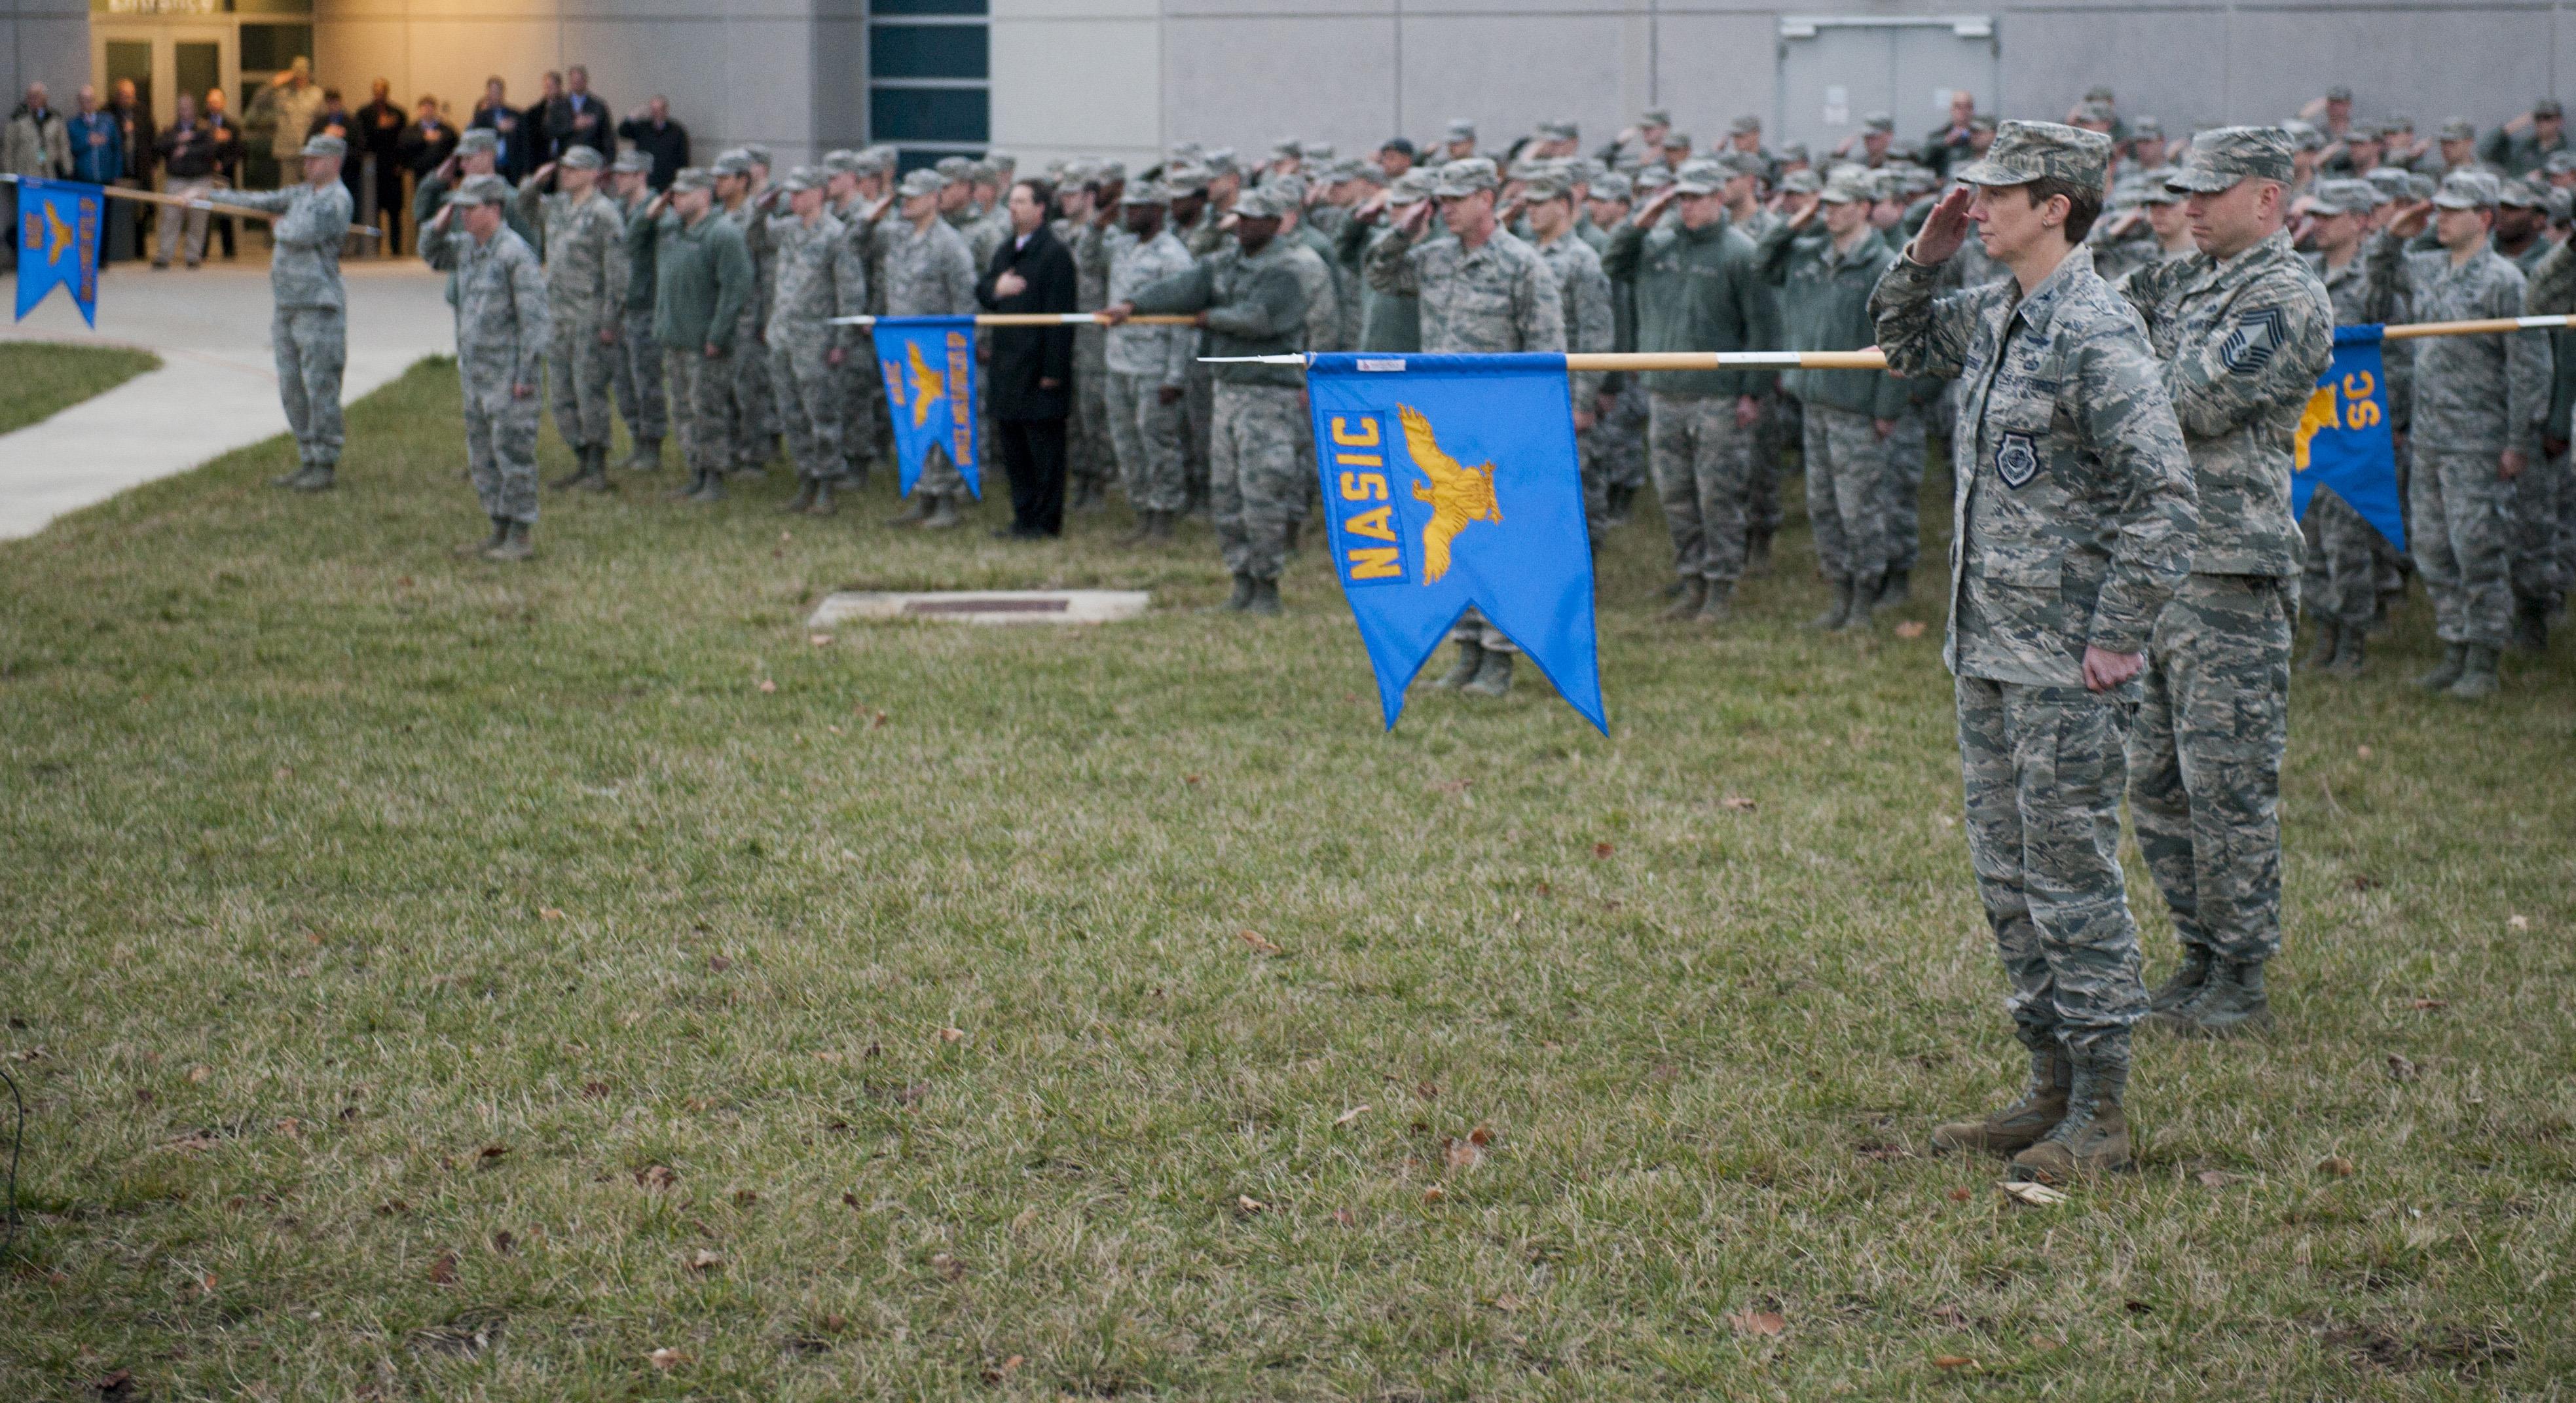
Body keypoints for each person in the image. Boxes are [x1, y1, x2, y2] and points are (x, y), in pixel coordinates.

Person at [1871, 119, 2199, 1185]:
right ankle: (2046, 1083)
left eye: (1998, 194)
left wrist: (2113, 634)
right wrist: (1922, 254)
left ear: (2054, 205)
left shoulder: (2094, 329)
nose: (1979, 208)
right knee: (2006, 877)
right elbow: (1901, 343)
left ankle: (2100, 1108)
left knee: (2067, 876)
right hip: (1987, 646)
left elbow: (2162, 501)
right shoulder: (1997, 312)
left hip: (2063, 658)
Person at [2116, 129, 2334, 1038]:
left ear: (2269, 198)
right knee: (2157, 780)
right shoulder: (2184, 280)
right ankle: (2199, 951)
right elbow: (2085, 322)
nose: (2188, 208)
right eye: (2183, 193)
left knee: (2226, 781)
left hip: (2229, 570)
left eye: (2210, 192)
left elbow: (2187, 403)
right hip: (2158, 565)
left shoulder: (2282, 297)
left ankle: (2240, 975)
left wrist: (2107, 386)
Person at [1367, 156, 1567, 693]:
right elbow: (1379, 273)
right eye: (1440, 200)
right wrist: (1404, 228)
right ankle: (1466, 651)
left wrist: (1530, 433)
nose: (1445, 209)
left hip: (1498, 427)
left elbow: (1546, 353)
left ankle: (1500, 659)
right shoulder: (1433, 259)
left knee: (1496, 544)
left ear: (1488, 198)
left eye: (1456, 199)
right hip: (1444, 426)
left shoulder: (1523, 265)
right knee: (1452, 542)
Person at [2369, 172, 2549, 697]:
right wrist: (2396, 232)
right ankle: (2454, 646)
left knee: (2478, 548)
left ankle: (2485, 658)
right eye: (2439, 209)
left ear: (2485, 218)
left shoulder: (2504, 281)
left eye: (2454, 210)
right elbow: (2378, 279)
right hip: (2430, 436)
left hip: (2479, 438)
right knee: (2432, 547)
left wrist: (2517, 440)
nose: (2441, 218)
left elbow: (2529, 366)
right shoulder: (2428, 269)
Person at [1107, 182, 1311, 615]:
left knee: (1263, 491)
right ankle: (1240, 581)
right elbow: (1183, 286)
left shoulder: (1288, 269)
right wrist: (1133, 304)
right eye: (1241, 217)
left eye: (1253, 219)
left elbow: (1262, 319)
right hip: (1228, 390)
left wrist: (1210, 318)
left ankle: (1267, 585)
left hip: (1267, 393)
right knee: (1227, 493)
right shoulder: (1224, 262)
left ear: (1274, 224)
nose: (1242, 226)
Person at [1602, 158, 1778, 624]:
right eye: (1680, 198)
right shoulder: (1656, 245)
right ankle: (1692, 576)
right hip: (1665, 393)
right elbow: (1612, 262)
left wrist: (1752, 392)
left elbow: (1764, 330)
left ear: (1719, 199)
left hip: (1717, 397)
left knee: (1717, 493)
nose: (1687, 207)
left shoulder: (1740, 252)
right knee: (1675, 493)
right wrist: (1642, 219)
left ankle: (1721, 583)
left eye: (1696, 197)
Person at [1759, 167, 1907, 629]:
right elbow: (1763, 262)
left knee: (1859, 505)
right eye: (1825, 204)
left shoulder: (1884, 264)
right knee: (1823, 505)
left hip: (1856, 405)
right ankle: (1839, 594)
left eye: (1841, 204)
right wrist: (1795, 220)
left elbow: (1899, 343)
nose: (1830, 213)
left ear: (1865, 207)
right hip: (1815, 400)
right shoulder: (1808, 255)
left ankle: (1865, 598)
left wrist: (1886, 408)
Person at [200, 134, 352, 493]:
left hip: (318, 306)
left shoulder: (337, 199)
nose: (307, 164)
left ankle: (325, 460)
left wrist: (278, 226)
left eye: (314, 159)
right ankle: (307, 456)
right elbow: (260, 201)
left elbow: (301, 232)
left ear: (333, 162)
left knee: (320, 386)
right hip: (286, 304)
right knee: (291, 386)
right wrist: (209, 196)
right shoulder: (300, 194)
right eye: (306, 158)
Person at [420, 173, 549, 559]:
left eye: (470, 208)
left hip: (508, 377)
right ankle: (498, 527)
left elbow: (535, 320)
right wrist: (439, 221)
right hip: (476, 375)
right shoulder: (469, 249)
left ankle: (521, 535)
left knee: (513, 453)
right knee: (483, 455)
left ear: (494, 209)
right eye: (458, 208)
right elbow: (430, 252)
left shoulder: (514, 253)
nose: (462, 216)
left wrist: (525, 376)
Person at [2294, 180, 2391, 675]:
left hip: (2353, 423)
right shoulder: (2304, 273)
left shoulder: (2370, 278)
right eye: (2317, 213)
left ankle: (2354, 638)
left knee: (2347, 542)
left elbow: (2391, 344)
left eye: (2331, 214)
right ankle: (2324, 630)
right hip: (2308, 426)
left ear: (2359, 220)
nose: (2320, 223)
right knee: (2309, 539)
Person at [626, 167, 754, 502]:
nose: (677, 200)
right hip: (675, 337)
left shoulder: (723, 233)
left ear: (704, 195)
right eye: (675, 194)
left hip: (704, 341)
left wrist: (719, 334)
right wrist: (653, 211)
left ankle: (714, 477)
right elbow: (632, 241)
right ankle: (696, 471)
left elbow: (736, 288)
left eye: (684, 194)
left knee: (707, 410)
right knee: (683, 410)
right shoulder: (671, 229)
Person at [515, 145, 628, 490]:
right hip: (558, 313)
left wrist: (610, 320)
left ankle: (597, 467)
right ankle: (581, 457)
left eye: (575, 169)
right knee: (561, 391)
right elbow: (525, 210)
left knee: (588, 388)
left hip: (589, 314)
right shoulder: (559, 207)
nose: (566, 174)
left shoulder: (604, 213)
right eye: (564, 168)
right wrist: (534, 183)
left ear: (594, 174)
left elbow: (618, 273)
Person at [975, 177, 1080, 538]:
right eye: (1011, 202)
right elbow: (984, 291)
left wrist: (1053, 370)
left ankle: (1046, 523)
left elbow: (1061, 319)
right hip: (1007, 367)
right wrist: (996, 288)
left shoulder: (1055, 255)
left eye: (1021, 201)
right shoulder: (1006, 250)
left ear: (1040, 208)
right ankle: (1023, 518)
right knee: (1015, 451)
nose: (1014, 208)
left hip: (1038, 370)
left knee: (1044, 452)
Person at [1091, 179, 1195, 539]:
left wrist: (1175, 376)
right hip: (1118, 361)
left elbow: (1184, 320)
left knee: (1158, 443)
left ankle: (1164, 514)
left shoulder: (1174, 255)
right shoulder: (1122, 247)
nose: (1128, 214)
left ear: (1157, 211)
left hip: (1154, 365)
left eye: (1136, 208)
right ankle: (1142, 510)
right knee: (1125, 442)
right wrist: (1096, 225)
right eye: (1126, 207)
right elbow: (1087, 260)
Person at [879, 167, 982, 529]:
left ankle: (947, 502)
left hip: (937, 348)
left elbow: (965, 301)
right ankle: (923, 496)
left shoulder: (949, 244)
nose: (906, 201)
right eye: (904, 195)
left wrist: (963, 350)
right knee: (913, 423)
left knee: (941, 424)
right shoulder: (899, 237)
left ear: (936, 199)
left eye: (915, 195)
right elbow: (856, 241)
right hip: (902, 347)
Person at [1522, 169, 1615, 550]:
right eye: (1527, 203)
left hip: (1569, 389)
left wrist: (1584, 401)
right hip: (1534, 391)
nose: (1530, 211)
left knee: (1579, 484)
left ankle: (1588, 570)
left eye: (1539, 203)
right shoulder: (1525, 255)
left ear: (1564, 206)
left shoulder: (1582, 261)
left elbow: (1596, 335)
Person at [764, 166, 866, 515]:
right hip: (784, 336)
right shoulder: (788, 230)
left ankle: (826, 485)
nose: (793, 199)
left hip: (817, 340)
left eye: (800, 192)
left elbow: (850, 293)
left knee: (822, 415)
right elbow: (754, 239)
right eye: (790, 193)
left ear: (819, 194)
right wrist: (762, 207)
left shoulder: (837, 235)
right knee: (791, 414)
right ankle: (805, 478)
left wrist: (842, 341)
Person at [606, 151, 669, 471]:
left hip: (646, 306)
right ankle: (636, 439)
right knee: (623, 379)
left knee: (647, 379)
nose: (618, 178)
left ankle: (653, 445)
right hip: (620, 305)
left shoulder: (656, 211)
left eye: (625, 173)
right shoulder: (618, 210)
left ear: (641, 175)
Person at [153, 94, 231, 269]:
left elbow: (210, 149)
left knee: (198, 219)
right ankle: (164, 255)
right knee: (170, 218)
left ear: (194, 109)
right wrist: (177, 140)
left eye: (187, 108)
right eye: (181, 108)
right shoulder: (171, 130)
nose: (184, 111)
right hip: (176, 179)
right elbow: (159, 146)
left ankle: (193, 255)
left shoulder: (205, 128)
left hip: (200, 180)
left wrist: (186, 149)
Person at [246, 58, 324, 190]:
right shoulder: (281, 93)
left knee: (312, 190)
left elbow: (323, 121)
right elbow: (258, 104)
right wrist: (273, 85)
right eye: (297, 76)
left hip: (310, 150)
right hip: (288, 151)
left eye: (303, 76)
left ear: (308, 76)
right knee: (289, 191)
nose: (300, 80)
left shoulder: (317, 94)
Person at [358, 79, 408, 254]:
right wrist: (380, 127)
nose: (379, 94)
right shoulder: (364, 114)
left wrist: (401, 163)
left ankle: (397, 250)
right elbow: (363, 141)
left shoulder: (398, 114)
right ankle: (375, 250)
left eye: (382, 91)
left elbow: (403, 141)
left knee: (395, 213)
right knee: (374, 212)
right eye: (376, 90)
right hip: (374, 172)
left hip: (393, 170)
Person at [2479, 100, 2568, 180]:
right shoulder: (2521, 149)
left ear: (2559, 121)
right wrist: (2513, 126)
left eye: (2547, 117)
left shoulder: (2568, 152)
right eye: (2538, 118)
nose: (2541, 122)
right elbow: (2484, 151)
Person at [617, 96, 690, 190]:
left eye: (658, 110)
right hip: (645, 179)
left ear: (665, 110)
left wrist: (680, 180)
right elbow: (622, 132)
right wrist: (632, 117)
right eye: (653, 109)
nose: (655, 113)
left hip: (667, 180)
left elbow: (683, 159)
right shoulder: (642, 127)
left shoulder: (676, 130)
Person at [545, 65, 612, 163]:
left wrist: (608, 161)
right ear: (570, 82)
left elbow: (607, 136)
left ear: (586, 81)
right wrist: (573, 125)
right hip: (567, 159)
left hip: (592, 159)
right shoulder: (558, 105)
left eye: (580, 80)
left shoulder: (598, 106)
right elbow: (550, 130)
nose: (577, 83)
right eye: (574, 81)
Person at [468, 77, 531, 180]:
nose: (495, 95)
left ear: (503, 92)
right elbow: (478, 141)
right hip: (490, 169)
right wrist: (498, 129)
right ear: (487, 93)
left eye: (498, 91)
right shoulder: (481, 117)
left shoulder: (516, 115)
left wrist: (526, 170)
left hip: (513, 169)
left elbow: (525, 144)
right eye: (492, 91)